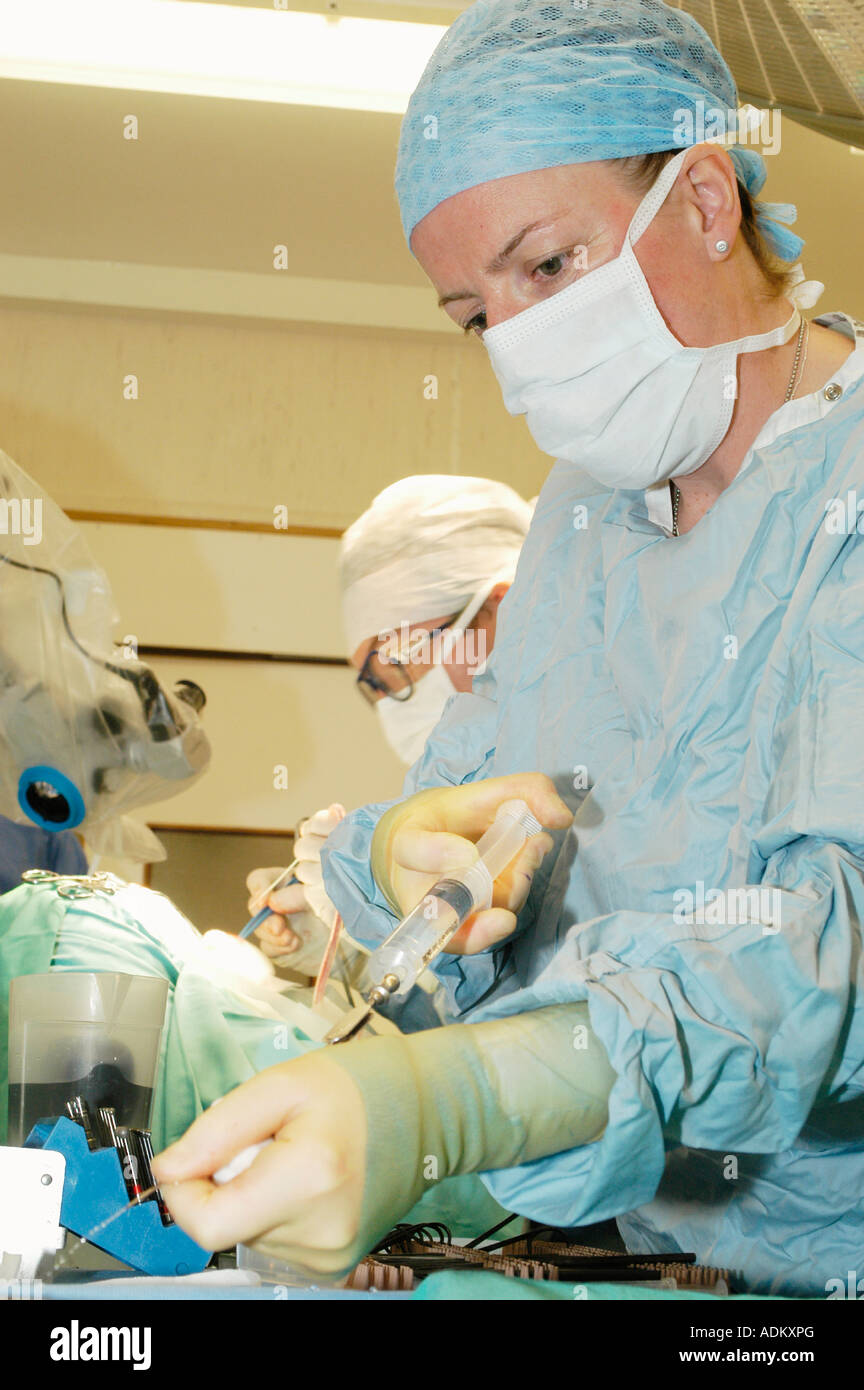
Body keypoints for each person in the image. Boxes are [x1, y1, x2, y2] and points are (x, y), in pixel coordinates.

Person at [155, 0, 864, 1298]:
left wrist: (453, 1098)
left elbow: (825, 952)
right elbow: (485, 827)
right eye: (476, 314)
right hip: (667, 1255)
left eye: (546, 267)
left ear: (707, 199)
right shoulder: (587, 516)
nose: (520, 348)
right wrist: (397, 849)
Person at [249, 475, 532, 972]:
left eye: (395, 661)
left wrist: (374, 883)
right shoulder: (485, 788)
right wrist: (350, 942)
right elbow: (480, 1005)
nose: (392, 703)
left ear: (502, 608)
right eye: (375, 685)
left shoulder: (606, 746)